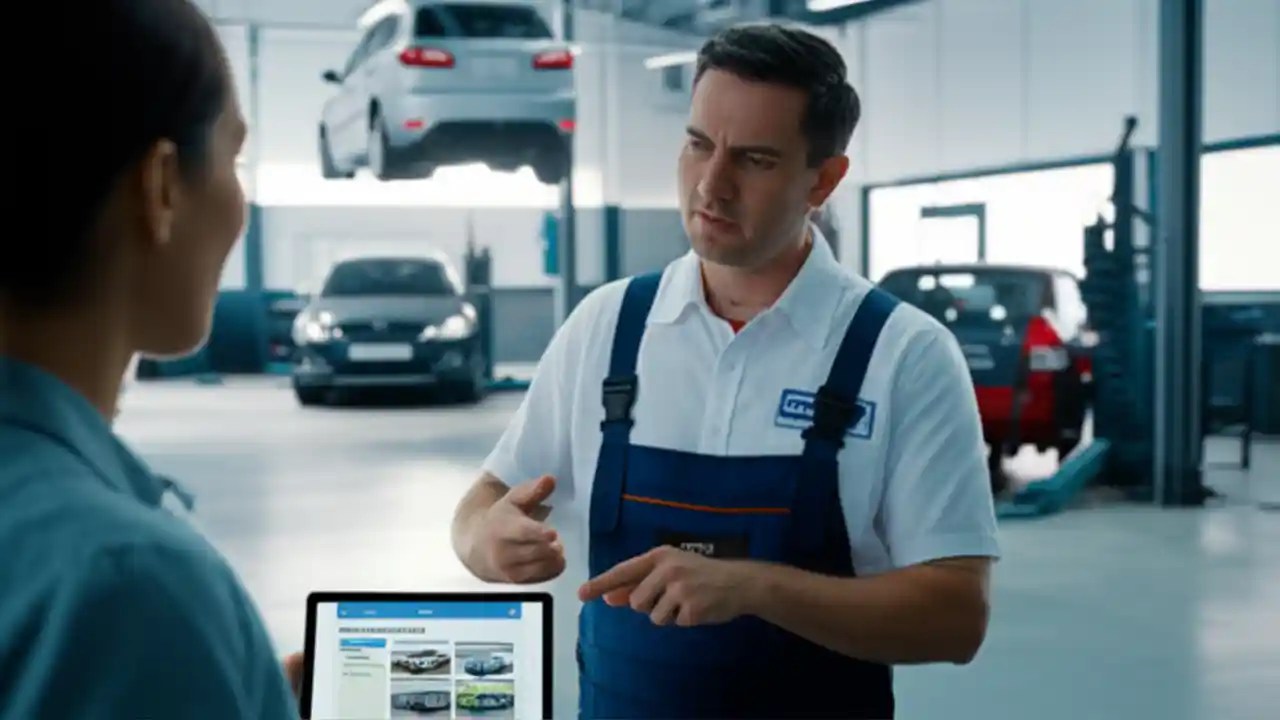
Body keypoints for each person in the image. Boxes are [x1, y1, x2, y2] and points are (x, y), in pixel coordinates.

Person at [451, 23, 1000, 720]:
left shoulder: (904, 356)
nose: (712, 184)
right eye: (698, 144)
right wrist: (485, 541)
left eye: (756, 159)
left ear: (823, 179)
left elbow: (957, 616)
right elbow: (485, 500)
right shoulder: (607, 327)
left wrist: (754, 589)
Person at [0, 1, 303, 717]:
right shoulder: (124, 581)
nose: (239, 199)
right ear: (160, 187)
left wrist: (224, 683)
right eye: (235, 157)